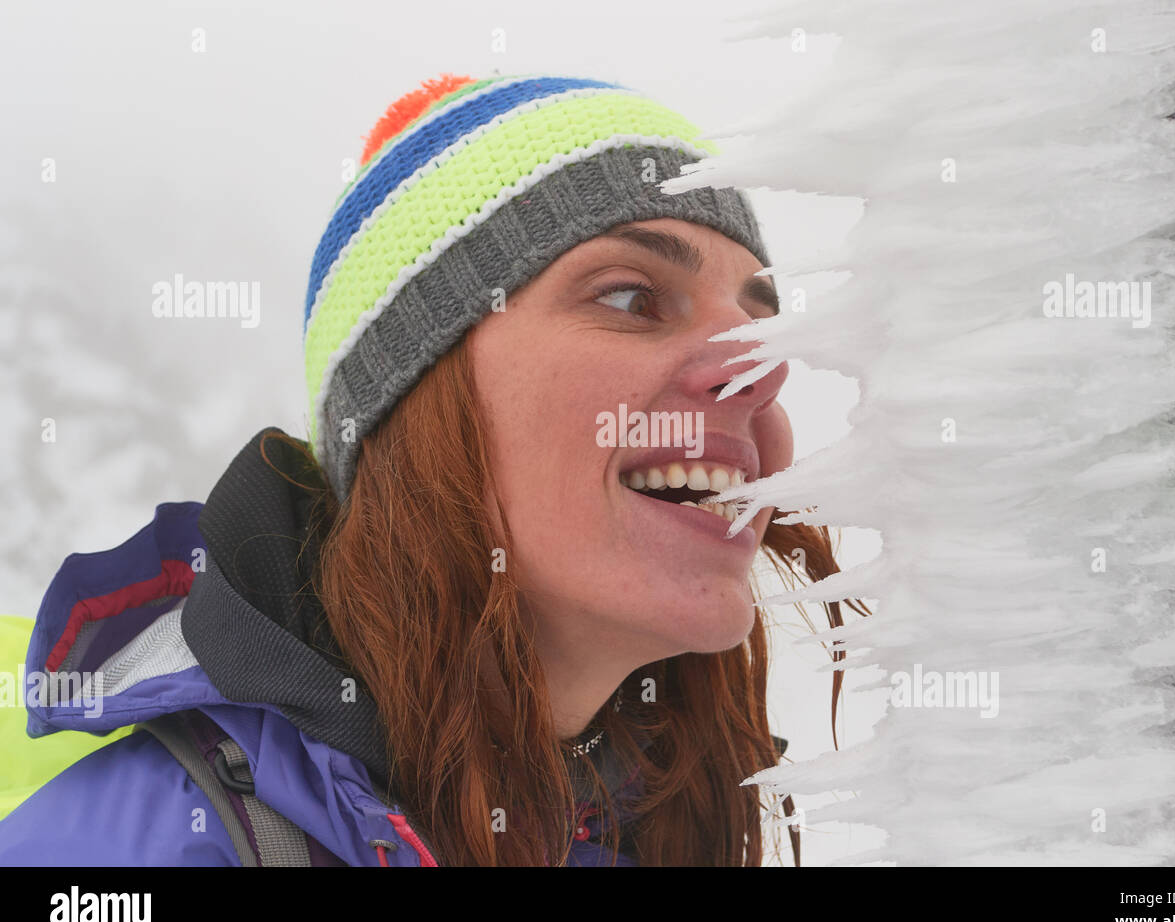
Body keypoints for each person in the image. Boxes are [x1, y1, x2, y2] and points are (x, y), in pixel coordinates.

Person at [0, 72, 857, 866]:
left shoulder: (657, 825)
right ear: (412, 399)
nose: (760, 368)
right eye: (632, 298)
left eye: (761, 326)